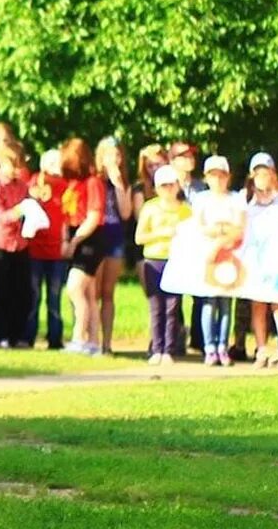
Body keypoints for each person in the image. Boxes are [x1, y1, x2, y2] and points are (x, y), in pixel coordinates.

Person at [242, 153, 278, 366]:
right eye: (258, 174)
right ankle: (262, 348)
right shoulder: (246, 202)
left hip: (277, 261)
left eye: (266, 173)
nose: (262, 178)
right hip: (255, 261)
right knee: (258, 305)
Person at [191, 155, 245, 366]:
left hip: (230, 255)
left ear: (228, 177)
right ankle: (209, 346)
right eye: (213, 176)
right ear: (206, 178)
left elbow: (239, 227)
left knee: (225, 302)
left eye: (221, 175)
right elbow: (200, 226)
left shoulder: (235, 199)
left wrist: (221, 232)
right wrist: (221, 230)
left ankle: (222, 345)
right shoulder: (201, 199)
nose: (218, 180)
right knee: (209, 301)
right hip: (210, 256)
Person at [56, 138, 108, 354]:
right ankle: (94, 342)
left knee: (75, 287)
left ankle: (79, 337)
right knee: (87, 293)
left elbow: (94, 216)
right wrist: (65, 240)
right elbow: (64, 216)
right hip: (74, 233)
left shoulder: (93, 183)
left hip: (90, 237)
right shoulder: (71, 185)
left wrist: (75, 241)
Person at [135, 164, 190, 364]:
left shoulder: (185, 211)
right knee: (156, 306)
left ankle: (169, 349)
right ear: (157, 188)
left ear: (177, 185)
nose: (168, 189)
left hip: (176, 261)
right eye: (163, 185)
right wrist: (162, 234)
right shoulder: (150, 208)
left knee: (172, 306)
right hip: (154, 259)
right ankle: (156, 348)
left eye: (171, 184)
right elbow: (139, 237)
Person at [0, 145, 33, 348]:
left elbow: (29, 207)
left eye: (18, 165)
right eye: (12, 164)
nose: (15, 169)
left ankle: (16, 336)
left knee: (21, 292)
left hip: (20, 244)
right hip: (0, 245)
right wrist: (19, 211)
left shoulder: (22, 186)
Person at [94, 138, 135, 353]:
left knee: (108, 292)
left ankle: (107, 344)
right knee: (94, 292)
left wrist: (118, 184)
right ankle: (90, 339)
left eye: (118, 155)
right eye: (110, 155)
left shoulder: (123, 183)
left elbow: (126, 212)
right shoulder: (94, 180)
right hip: (96, 237)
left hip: (115, 238)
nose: (115, 159)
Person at [25, 149, 67, 348]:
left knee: (54, 297)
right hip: (35, 249)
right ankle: (28, 337)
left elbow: (66, 216)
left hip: (56, 251)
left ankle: (55, 339)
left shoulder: (66, 185)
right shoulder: (36, 181)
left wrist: (66, 240)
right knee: (33, 297)